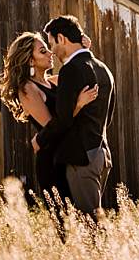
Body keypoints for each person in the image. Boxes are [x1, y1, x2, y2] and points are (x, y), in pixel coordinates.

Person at [0, 31, 98, 203]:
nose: (50, 53)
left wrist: (84, 50)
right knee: (63, 219)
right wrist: (78, 105)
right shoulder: (27, 89)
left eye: (48, 49)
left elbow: (86, 75)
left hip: (68, 155)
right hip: (52, 160)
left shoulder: (56, 80)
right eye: (43, 51)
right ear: (31, 60)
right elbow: (52, 126)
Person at [32, 15, 116, 217]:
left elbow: (64, 119)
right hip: (101, 153)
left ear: (61, 38)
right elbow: (108, 116)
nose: (51, 50)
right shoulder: (104, 69)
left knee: (90, 224)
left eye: (51, 42)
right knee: (90, 219)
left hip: (82, 158)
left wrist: (39, 139)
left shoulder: (71, 70)